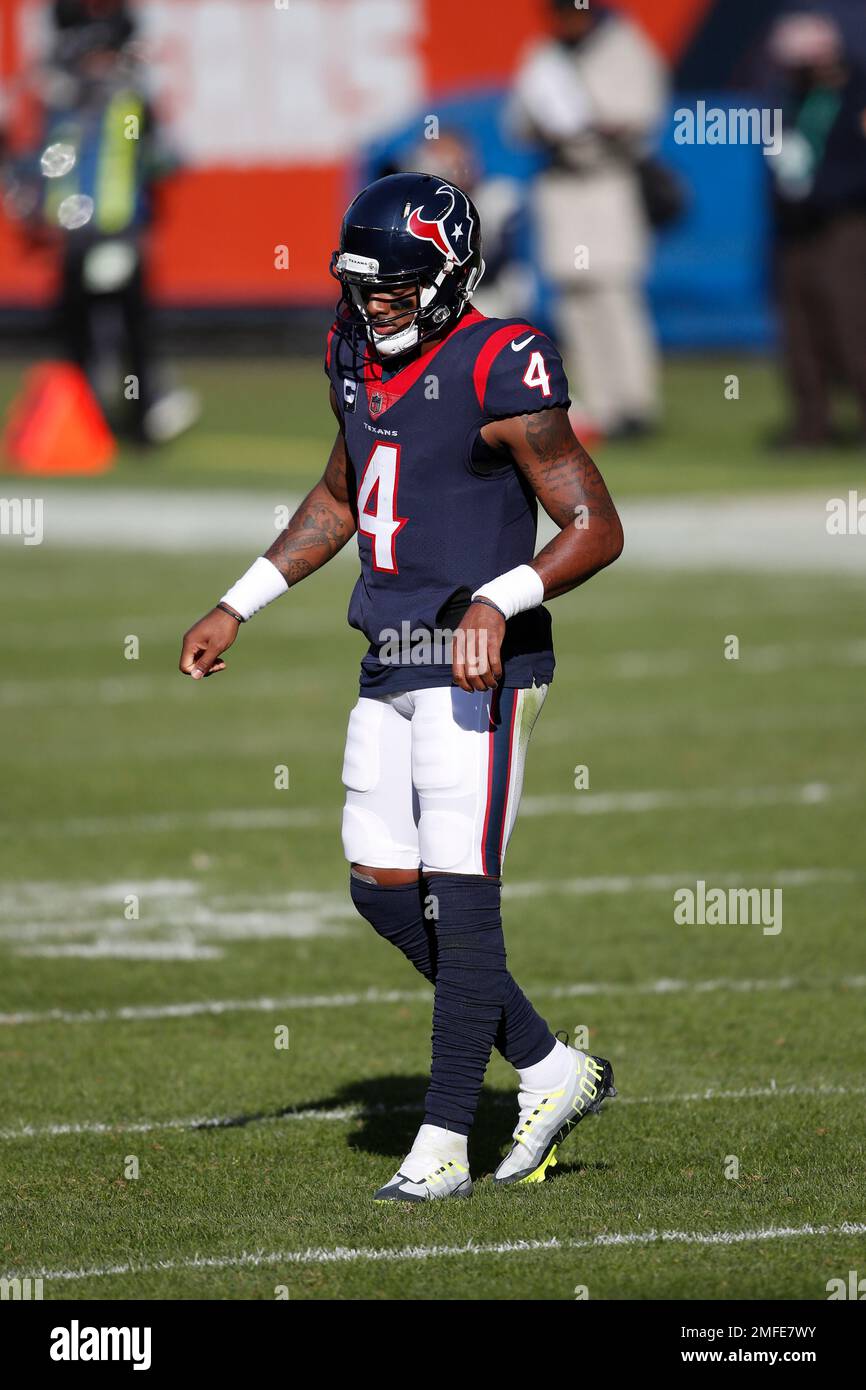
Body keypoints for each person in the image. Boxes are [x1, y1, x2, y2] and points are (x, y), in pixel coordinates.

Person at [179, 172, 622, 1201]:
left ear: (448, 275)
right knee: (380, 887)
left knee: (462, 903)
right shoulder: (351, 350)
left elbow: (594, 525)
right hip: (389, 651)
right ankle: (554, 1069)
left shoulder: (498, 359)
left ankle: (439, 1146)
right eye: (362, 286)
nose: (372, 305)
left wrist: (496, 600)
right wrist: (239, 598)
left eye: (393, 288)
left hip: (482, 660)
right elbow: (344, 490)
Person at [510, 0, 668, 439]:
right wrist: (548, 124)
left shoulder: (623, 46)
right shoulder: (544, 53)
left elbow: (643, 114)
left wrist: (591, 118)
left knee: (614, 292)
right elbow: (517, 121)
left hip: (607, 180)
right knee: (573, 298)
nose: (566, 21)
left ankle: (635, 404)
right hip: (560, 184)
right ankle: (598, 405)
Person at [765, 7, 866, 447]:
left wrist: (824, 191)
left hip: (843, 223)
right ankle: (812, 423)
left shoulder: (855, 95)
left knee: (851, 323)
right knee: (799, 328)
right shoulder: (792, 98)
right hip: (796, 229)